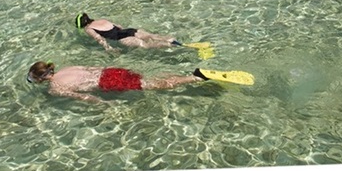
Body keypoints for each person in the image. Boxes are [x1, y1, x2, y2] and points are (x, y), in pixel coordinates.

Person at [26, 61, 210, 103]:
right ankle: (185, 75)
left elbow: (85, 98)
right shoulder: (68, 68)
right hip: (109, 71)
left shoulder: (54, 88)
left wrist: (104, 105)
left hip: (108, 82)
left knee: (152, 86)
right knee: (148, 80)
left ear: (41, 78)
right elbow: (91, 68)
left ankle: (194, 78)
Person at [75, 13, 182, 51]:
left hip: (122, 38)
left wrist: (109, 48)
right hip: (129, 30)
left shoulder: (89, 29)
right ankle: (170, 39)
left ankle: (169, 45)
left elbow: (99, 39)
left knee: (147, 45)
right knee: (151, 35)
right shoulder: (101, 20)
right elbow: (119, 26)